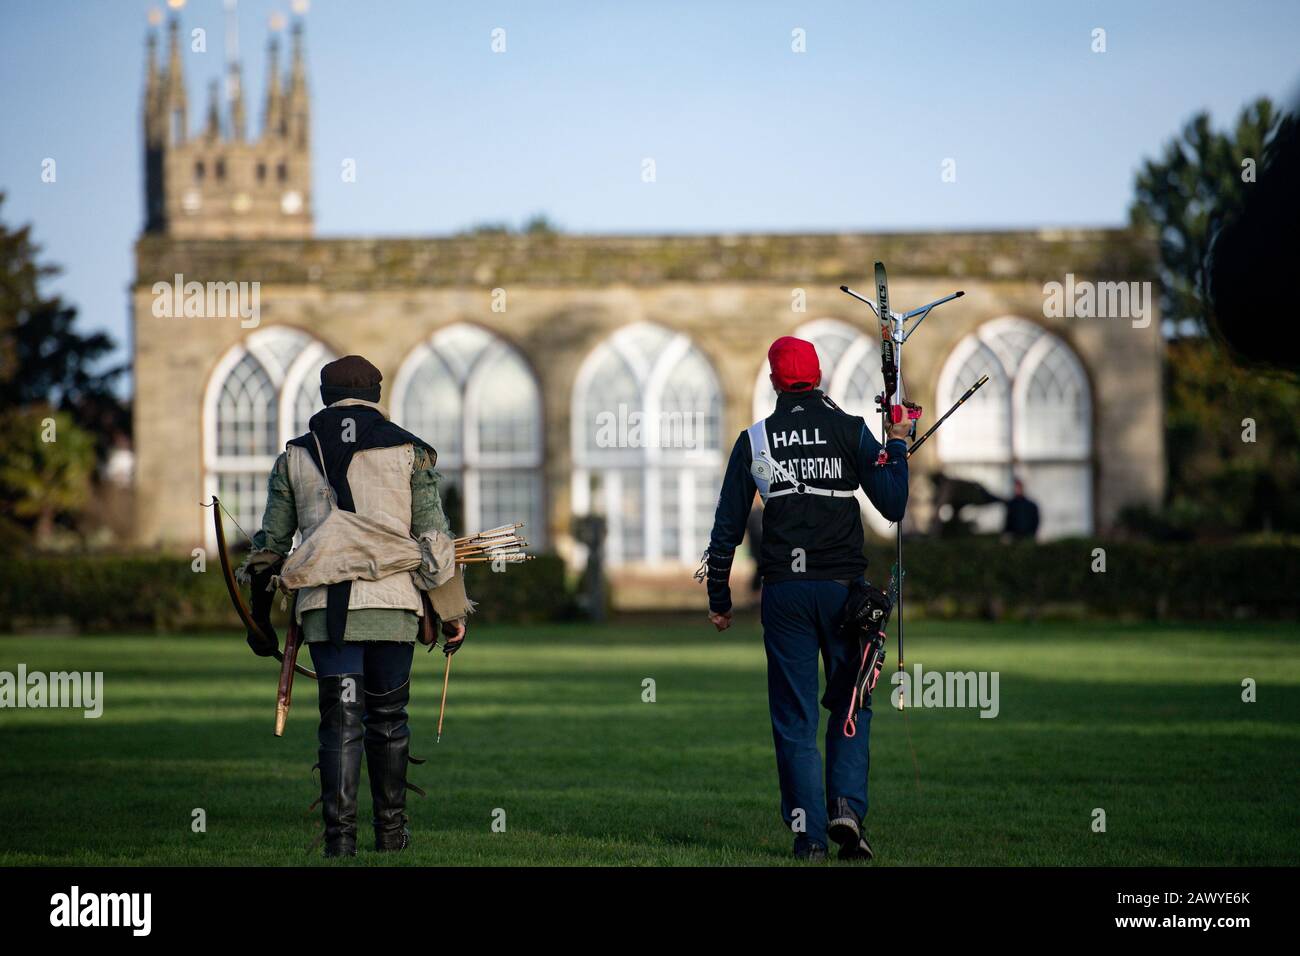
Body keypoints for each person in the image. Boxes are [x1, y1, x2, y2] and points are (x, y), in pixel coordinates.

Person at [240, 355, 472, 857]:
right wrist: (451, 611)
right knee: (388, 718)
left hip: (325, 611)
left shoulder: (294, 457)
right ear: (376, 395)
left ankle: (339, 841)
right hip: (393, 605)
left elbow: (270, 549)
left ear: (326, 396)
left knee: (340, 718)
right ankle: (390, 835)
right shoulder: (410, 453)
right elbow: (433, 540)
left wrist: (258, 620)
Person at [702, 336, 911, 861]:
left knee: (794, 718)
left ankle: (809, 836)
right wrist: (899, 442)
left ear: (773, 381)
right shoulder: (849, 430)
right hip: (844, 594)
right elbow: (893, 504)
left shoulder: (754, 438)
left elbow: (726, 528)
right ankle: (845, 809)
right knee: (851, 703)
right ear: (817, 377)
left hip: (785, 596)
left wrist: (720, 598)